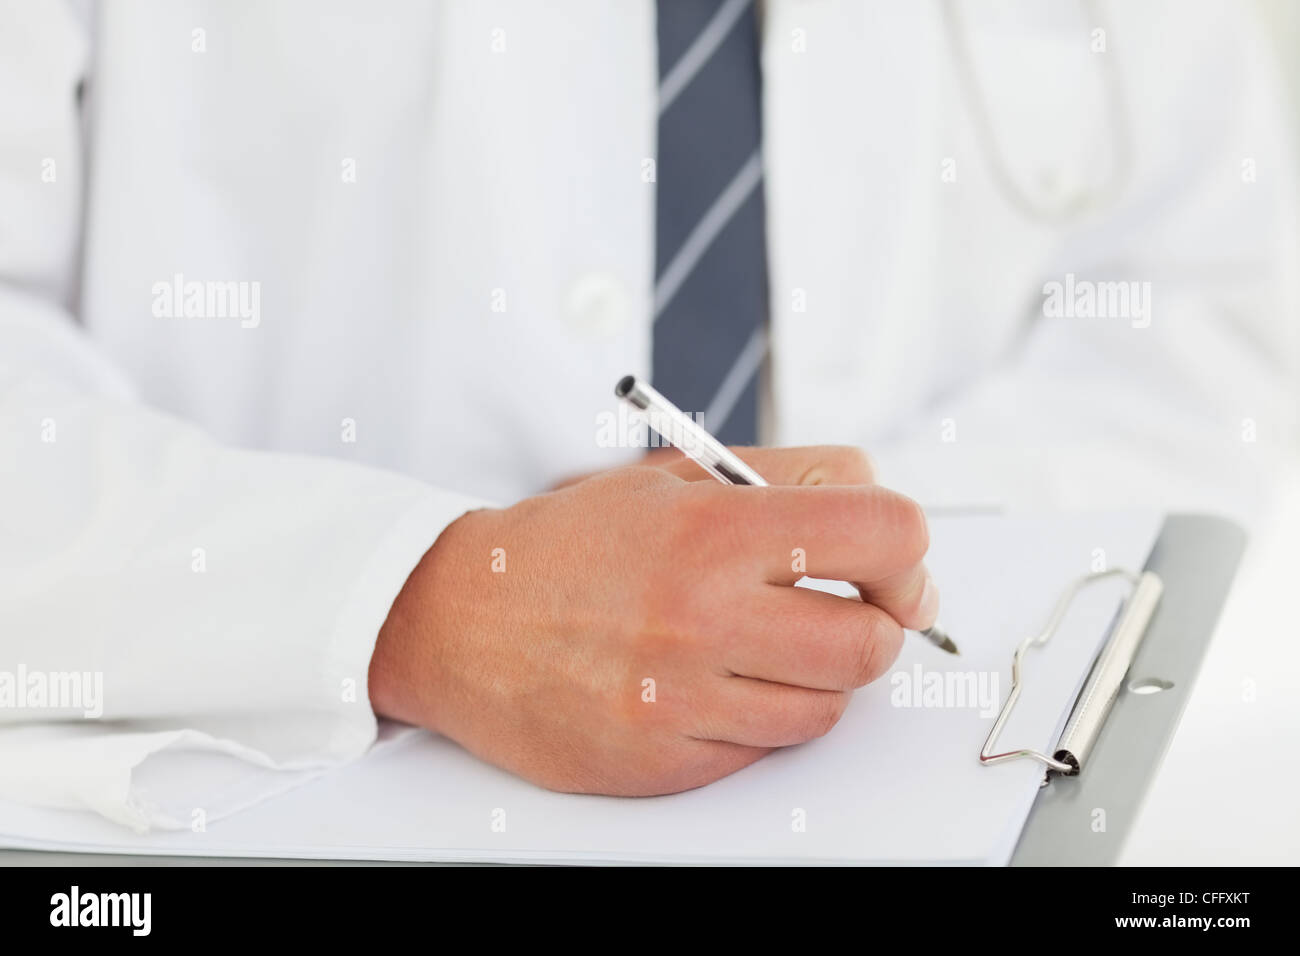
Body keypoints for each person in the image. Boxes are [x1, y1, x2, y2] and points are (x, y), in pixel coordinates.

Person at [0, 0, 1294, 831]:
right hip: (273, 803)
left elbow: (1204, 315)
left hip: (886, 799)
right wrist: (409, 597)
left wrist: (817, 569)